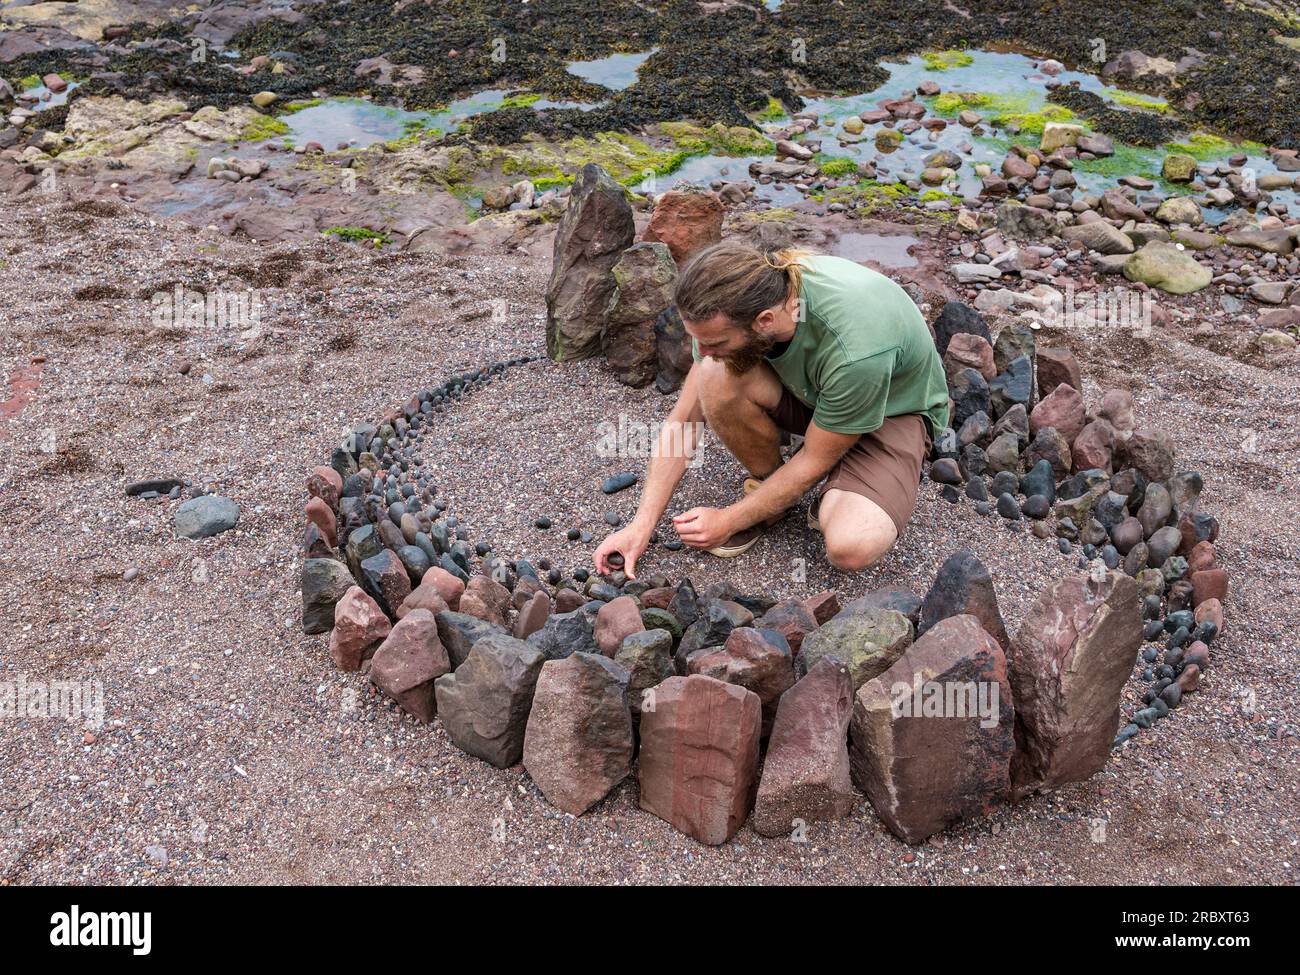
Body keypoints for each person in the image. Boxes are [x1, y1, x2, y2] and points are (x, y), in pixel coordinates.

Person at [592, 240, 949, 579]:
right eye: (697, 339)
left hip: (894, 412)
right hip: (819, 395)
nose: (701, 350)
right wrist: (640, 526)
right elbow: (684, 423)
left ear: (764, 321)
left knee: (851, 545)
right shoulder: (749, 290)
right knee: (714, 376)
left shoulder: (856, 350)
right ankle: (772, 493)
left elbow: (813, 459)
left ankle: (829, 481)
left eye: (714, 342)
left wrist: (728, 521)